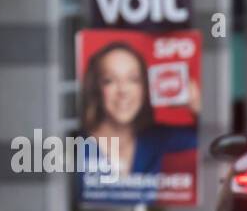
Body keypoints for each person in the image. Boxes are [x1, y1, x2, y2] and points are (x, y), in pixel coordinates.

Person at [80, 42, 198, 181]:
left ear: (145, 88)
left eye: (134, 80)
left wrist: (196, 104)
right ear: (95, 88)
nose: (123, 90)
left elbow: (211, 138)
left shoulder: (155, 138)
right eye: (109, 81)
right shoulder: (75, 145)